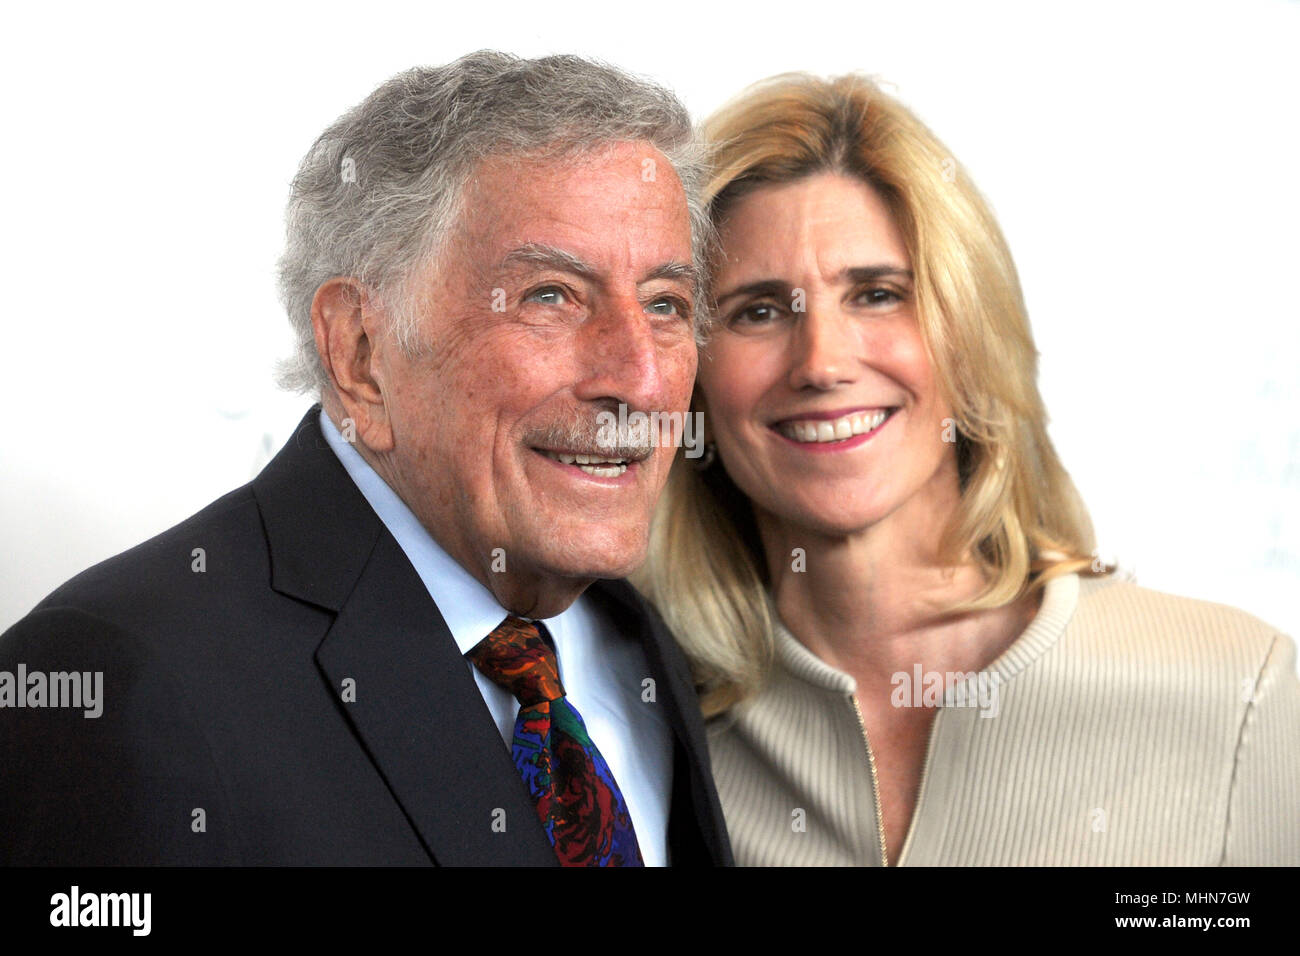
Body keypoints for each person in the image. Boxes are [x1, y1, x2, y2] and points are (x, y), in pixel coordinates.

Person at [0, 51, 732, 867]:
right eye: (550, 296)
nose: (639, 377)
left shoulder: (639, 646)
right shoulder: (122, 688)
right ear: (359, 350)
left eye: (665, 304)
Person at [636, 72, 1300, 866]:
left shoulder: (1241, 692)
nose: (822, 364)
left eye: (878, 295)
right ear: (688, 376)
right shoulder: (640, 730)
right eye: (759, 311)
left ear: (970, 335)